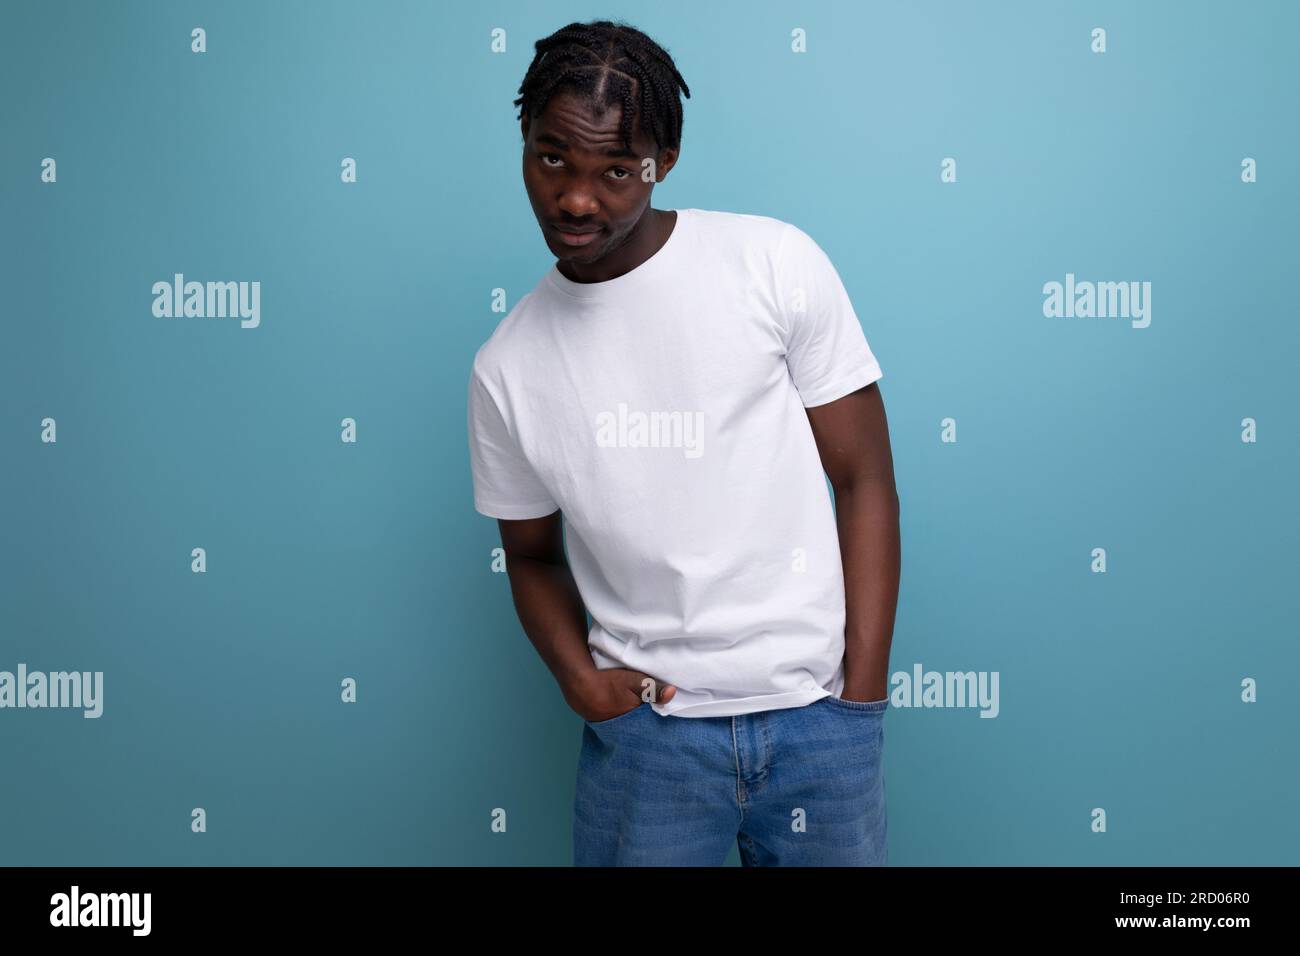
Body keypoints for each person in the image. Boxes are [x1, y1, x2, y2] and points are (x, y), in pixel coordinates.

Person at [467, 19, 900, 866]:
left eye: (615, 170)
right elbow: (529, 558)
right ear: (525, 143)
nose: (578, 198)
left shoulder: (773, 263)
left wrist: (862, 696)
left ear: (661, 163)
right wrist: (581, 683)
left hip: (818, 720)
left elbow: (865, 478)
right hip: (651, 748)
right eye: (553, 158)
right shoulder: (507, 368)